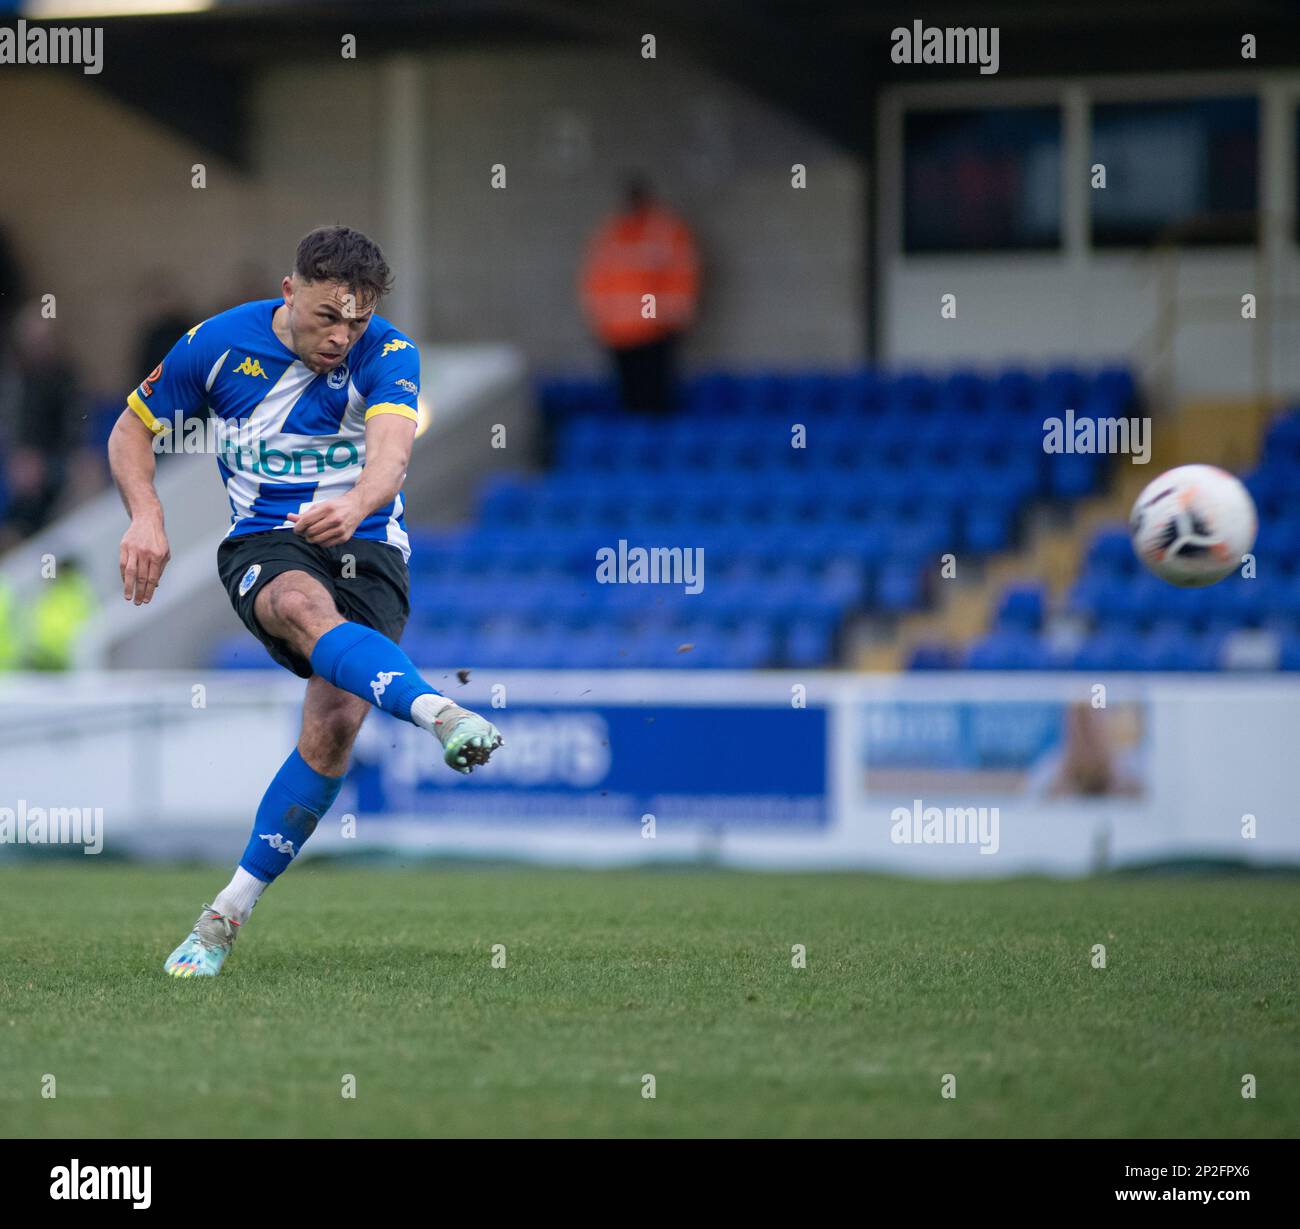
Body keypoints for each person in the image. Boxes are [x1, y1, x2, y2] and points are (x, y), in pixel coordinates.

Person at [106, 226, 504, 978]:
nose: (342, 335)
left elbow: (391, 454)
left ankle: (224, 914)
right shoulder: (216, 345)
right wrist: (146, 514)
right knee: (297, 601)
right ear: (290, 292)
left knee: (332, 726)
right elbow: (132, 430)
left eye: (357, 320)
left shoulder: (389, 354)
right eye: (329, 316)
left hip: (368, 543)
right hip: (267, 540)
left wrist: (356, 502)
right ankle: (442, 714)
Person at [579, 177, 699, 413]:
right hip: (619, 334)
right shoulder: (612, 233)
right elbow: (596, 279)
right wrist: (599, 317)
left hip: (655, 331)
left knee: (656, 398)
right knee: (629, 398)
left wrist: (676, 316)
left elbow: (682, 274)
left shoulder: (664, 231)